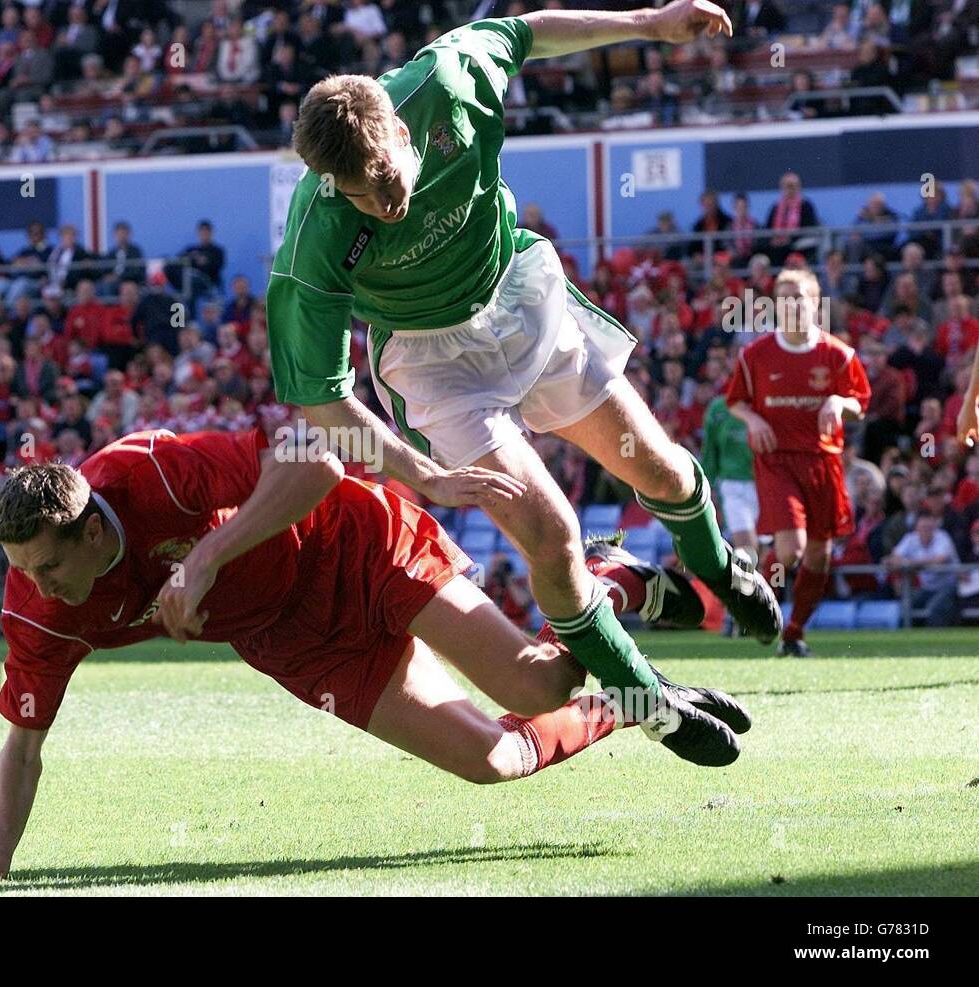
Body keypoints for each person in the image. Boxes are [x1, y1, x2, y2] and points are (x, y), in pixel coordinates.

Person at [264, 3, 777, 763]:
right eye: (360, 195)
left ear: (404, 133)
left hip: (518, 300)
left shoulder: (447, 76)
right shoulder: (316, 231)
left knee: (661, 467)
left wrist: (650, 22)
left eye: (385, 180)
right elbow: (318, 395)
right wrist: (423, 476)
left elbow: (528, 31)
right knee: (552, 532)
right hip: (433, 365)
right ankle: (650, 700)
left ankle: (714, 569)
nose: (383, 204)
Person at [0, 429, 749, 880]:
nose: (39, 587)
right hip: (295, 640)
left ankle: (601, 575)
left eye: (49, 566)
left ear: (91, 528)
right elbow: (23, 746)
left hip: (357, 542)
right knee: (495, 759)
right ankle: (627, 702)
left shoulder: (152, 468)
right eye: (23, 572)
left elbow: (318, 453)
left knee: (537, 682)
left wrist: (204, 559)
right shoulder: (40, 611)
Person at [725, 270, 872, 656]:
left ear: (814, 304)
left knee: (820, 554)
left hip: (824, 462)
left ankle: (794, 633)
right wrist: (753, 418)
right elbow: (735, 401)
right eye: (783, 298)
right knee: (791, 548)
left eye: (799, 298)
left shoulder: (838, 354)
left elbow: (861, 403)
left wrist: (839, 403)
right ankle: (755, 606)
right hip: (777, 461)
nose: (790, 305)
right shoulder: (755, 355)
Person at [700, 392, 758, 565]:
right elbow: (709, 452)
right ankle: (745, 590)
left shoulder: (768, 402)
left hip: (768, 486)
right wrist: (707, 487)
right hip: (732, 486)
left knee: (768, 552)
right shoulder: (718, 409)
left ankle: (769, 590)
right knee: (746, 548)